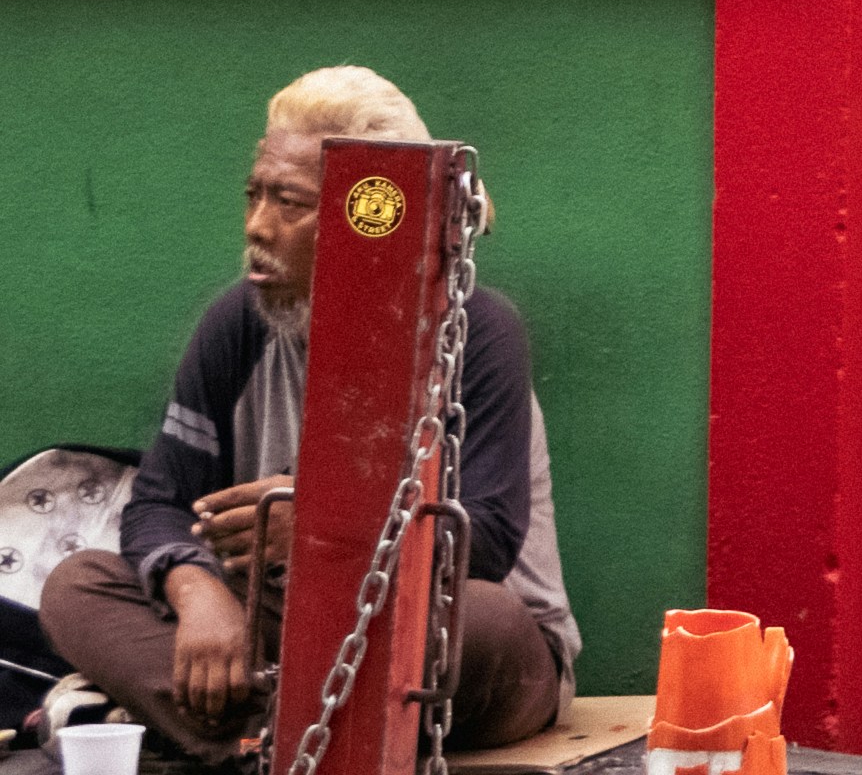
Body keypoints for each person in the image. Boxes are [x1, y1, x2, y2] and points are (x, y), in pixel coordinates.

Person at [39, 68, 574, 763]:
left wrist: (329, 528)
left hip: (447, 634)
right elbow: (159, 503)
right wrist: (198, 591)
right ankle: (269, 739)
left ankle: (231, 731)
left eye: (289, 202)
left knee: (483, 619)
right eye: (254, 194)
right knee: (77, 587)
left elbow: (492, 540)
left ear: (371, 216)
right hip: (279, 624)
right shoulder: (238, 321)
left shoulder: (477, 328)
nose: (257, 226)